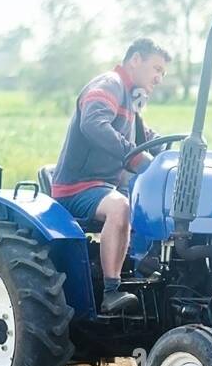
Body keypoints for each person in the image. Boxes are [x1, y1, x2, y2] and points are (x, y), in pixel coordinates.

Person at [51, 38, 170, 314]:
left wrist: (166, 149)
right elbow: (93, 123)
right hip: (78, 187)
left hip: (104, 185)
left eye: (163, 73)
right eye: (156, 68)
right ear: (135, 60)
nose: (159, 78)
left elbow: (143, 137)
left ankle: (149, 266)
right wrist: (134, 155)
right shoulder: (110, 84)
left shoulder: (131, 98)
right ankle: (111, 291)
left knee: (154, 204)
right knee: (121, 207)